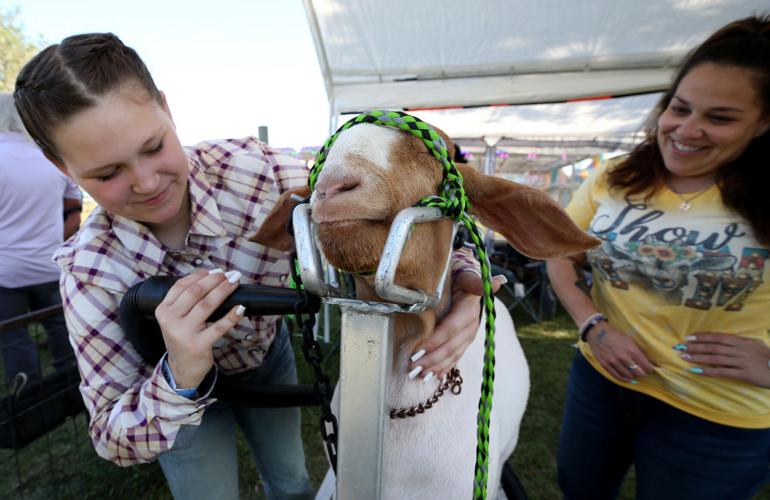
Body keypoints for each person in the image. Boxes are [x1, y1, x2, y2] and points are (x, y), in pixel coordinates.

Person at [13, 33, 495, 499]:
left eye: (154, 146)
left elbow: (396, 210)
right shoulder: (87, 268)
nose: (144, 182)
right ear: (61, 168)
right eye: (107, 173)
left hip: (267, 359)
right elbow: (111, 434)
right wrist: (180, 373)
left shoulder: (252, 171)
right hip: (169, 391)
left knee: (291, 479)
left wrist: (467, 280)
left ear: (166, 107)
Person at [546, 14, 770, 500]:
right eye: (679, 107)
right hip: (602, 381)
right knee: (579, 489)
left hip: (719, 415)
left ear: (765, 122)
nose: (687, 130)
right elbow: (560, 255)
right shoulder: (617, 177)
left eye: (721, 117)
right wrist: (593, 327)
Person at [0, 93, 80, 385]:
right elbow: (74, 210)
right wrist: (55, 241)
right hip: (49, 264)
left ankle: (27, 407)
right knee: (61, 329)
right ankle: (71, 392)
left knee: (14, 338)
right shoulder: (52, 159)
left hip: (5, 271)